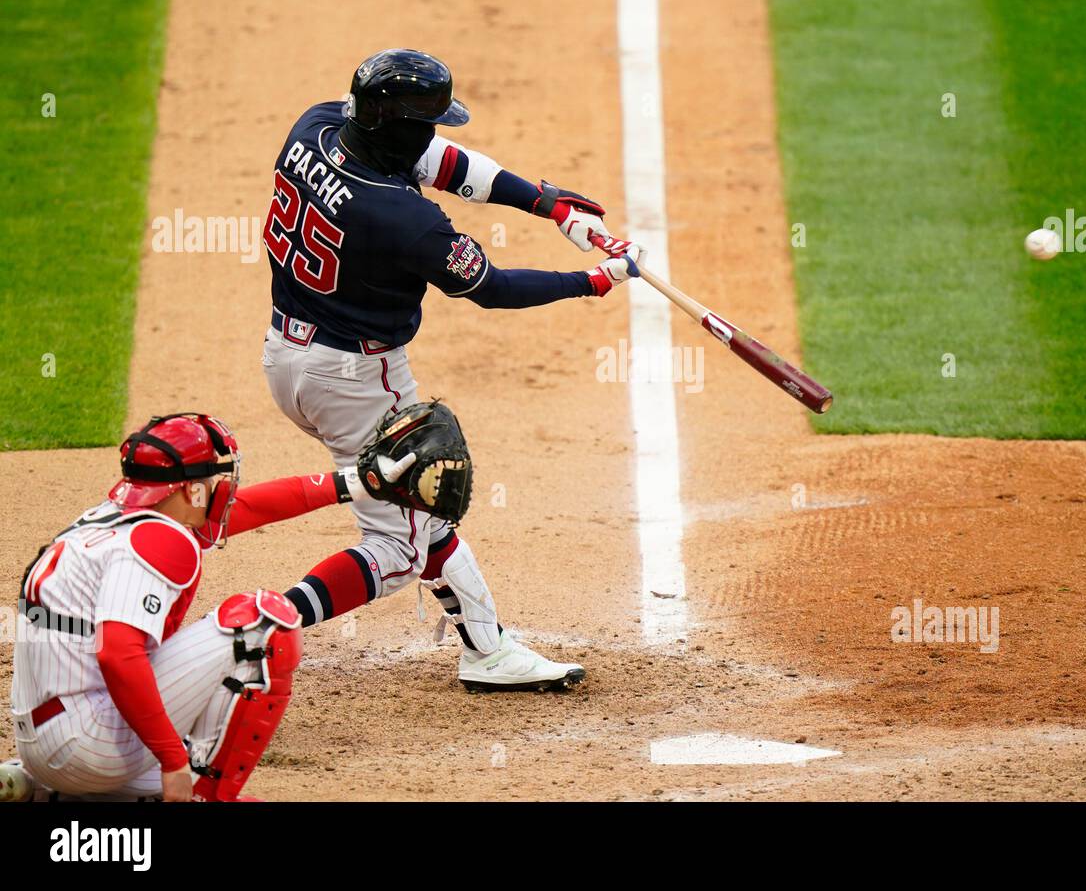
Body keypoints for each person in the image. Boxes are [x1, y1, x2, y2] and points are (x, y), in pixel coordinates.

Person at [261, 48, 642, 691]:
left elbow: (436, 162)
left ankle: (487, 650)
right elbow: (490, 287)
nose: (434, 136)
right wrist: (594, 279)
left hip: (288, 360)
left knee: (423, 510)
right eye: (425, 123)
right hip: (356, 381)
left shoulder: (318, 127)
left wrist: (548, 205)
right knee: (400, 549)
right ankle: (262, 625)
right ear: (391, 122)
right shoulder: (404, 221)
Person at [2, 412, 410, 801]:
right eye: (214, 476)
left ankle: (44, 784)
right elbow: (118, 654)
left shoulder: (108, 521)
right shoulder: (161, 541)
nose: (222, 486)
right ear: (189, 489)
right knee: (264, 625)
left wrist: (358, 482)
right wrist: (171, 759)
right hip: (91, 746)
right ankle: (203, 790)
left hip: (45, 746)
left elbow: (250, 507)